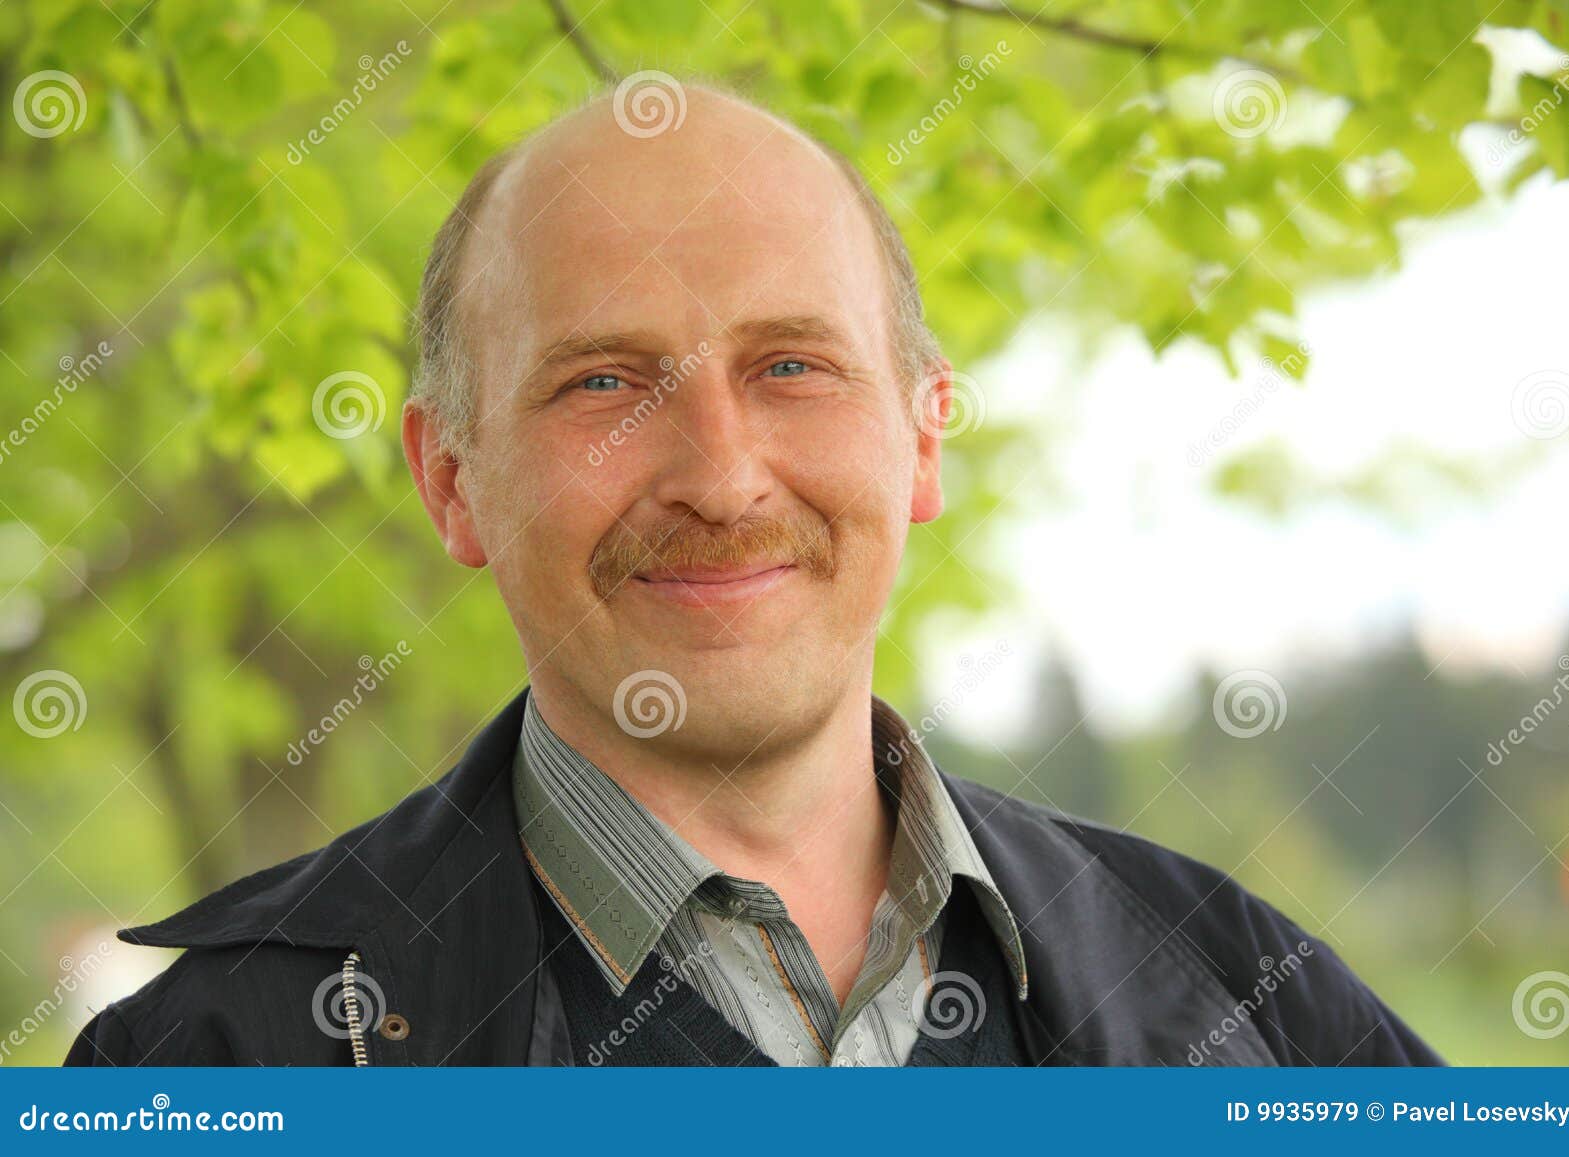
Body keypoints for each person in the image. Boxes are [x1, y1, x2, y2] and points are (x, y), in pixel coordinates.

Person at [66, 83, 1441, 1067]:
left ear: (919, 439)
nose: (721, 479)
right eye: (604, 381)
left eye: (792, 366)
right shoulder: (216, 1061)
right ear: (451, 479)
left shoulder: (1254, 1007)